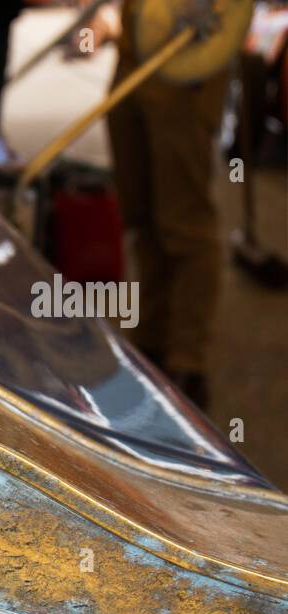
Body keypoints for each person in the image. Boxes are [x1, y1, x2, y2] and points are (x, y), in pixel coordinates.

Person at [104, 0, 232, 407]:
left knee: (185, 222)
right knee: (142, 213)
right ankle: (153, 344)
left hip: (187, 57)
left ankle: (188, 361)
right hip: (136, 48)